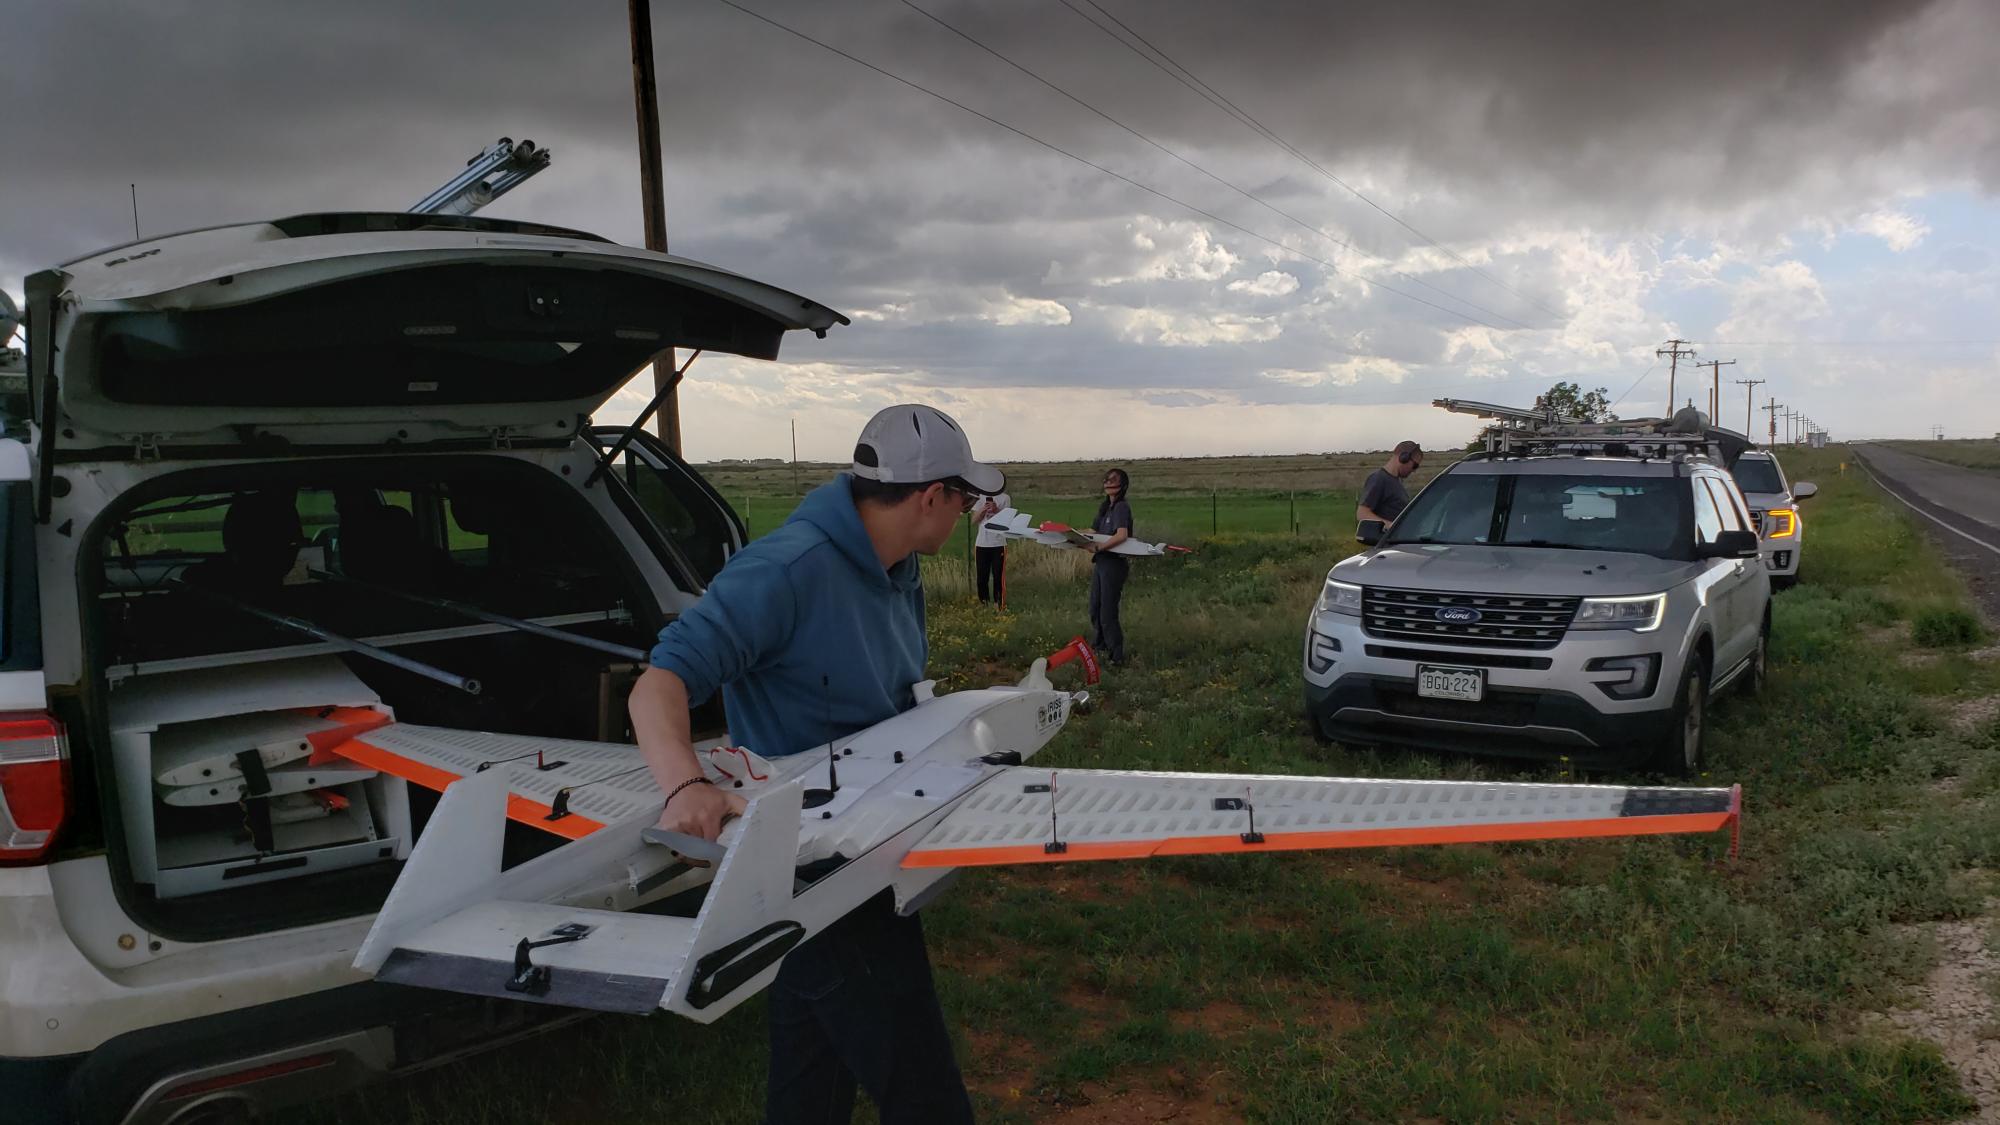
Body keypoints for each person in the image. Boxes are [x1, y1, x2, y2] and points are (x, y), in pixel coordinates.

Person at [629, 403, 999, 1125]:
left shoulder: (898, 567)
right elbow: (658, 683)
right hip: (815, 866)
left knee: (810, 1080)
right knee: (925, 1094)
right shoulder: (784, 571)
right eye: (963, 497)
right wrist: (686, 784)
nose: (966, 512)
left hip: (873, 845)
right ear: (932, 497)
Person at [1088, 467, 1134, 666]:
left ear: (1122, 485)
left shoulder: (1121, 507)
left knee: (1107, 612)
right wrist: (1067, 534)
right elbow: (1092, 531)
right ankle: (1099, 648)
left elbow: (1121, 535)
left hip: (1114, 564)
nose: (1108, 482)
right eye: (1106, 479)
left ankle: (1116, 656)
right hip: (1101, 563)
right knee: (1095, 608)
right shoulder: (1105, 507)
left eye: (1113, 480)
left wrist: (1099, 547)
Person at [1357, 441, 1423, 529]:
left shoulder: (1397, 481)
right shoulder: (1379, 479)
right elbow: (1362, 514)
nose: (1414, 470)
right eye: (1414, 466)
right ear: (1403, 458)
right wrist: (1392, 528)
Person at [972, 486, 1012, 608]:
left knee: (998, 576)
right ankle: (984, 603)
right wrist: (983, 509)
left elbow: (1007, 522)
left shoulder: (1005, 498)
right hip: (982, 543)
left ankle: (999, 604)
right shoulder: (979, 498)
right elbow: (974, 521)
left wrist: (996, 510)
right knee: (981, 577)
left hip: (999, 543)